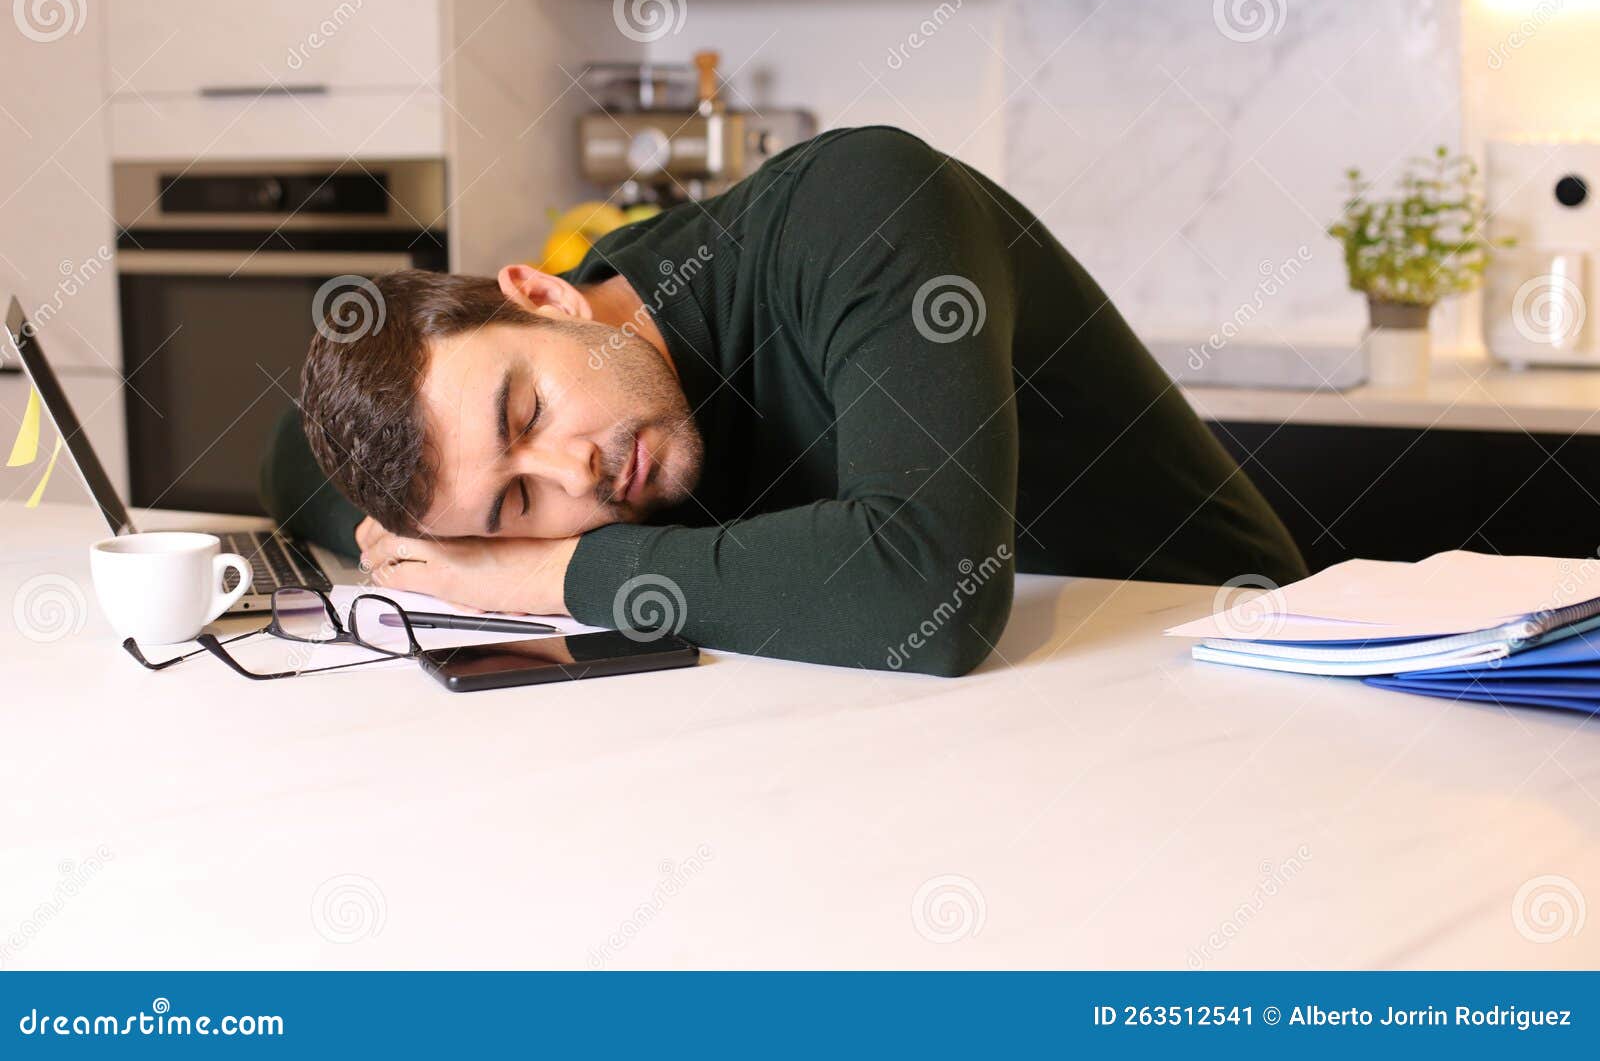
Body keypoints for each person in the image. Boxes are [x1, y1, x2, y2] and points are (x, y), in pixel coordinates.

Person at [263, 126, 1306, 676]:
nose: (570, 473)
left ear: (539, 289)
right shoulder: (578, 429)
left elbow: (927, 589)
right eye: (514, 506)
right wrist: (439, 543)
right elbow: (289, 458)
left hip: (1219, 662)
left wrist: (542, 568)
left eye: (526, 417)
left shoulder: (863, 204)